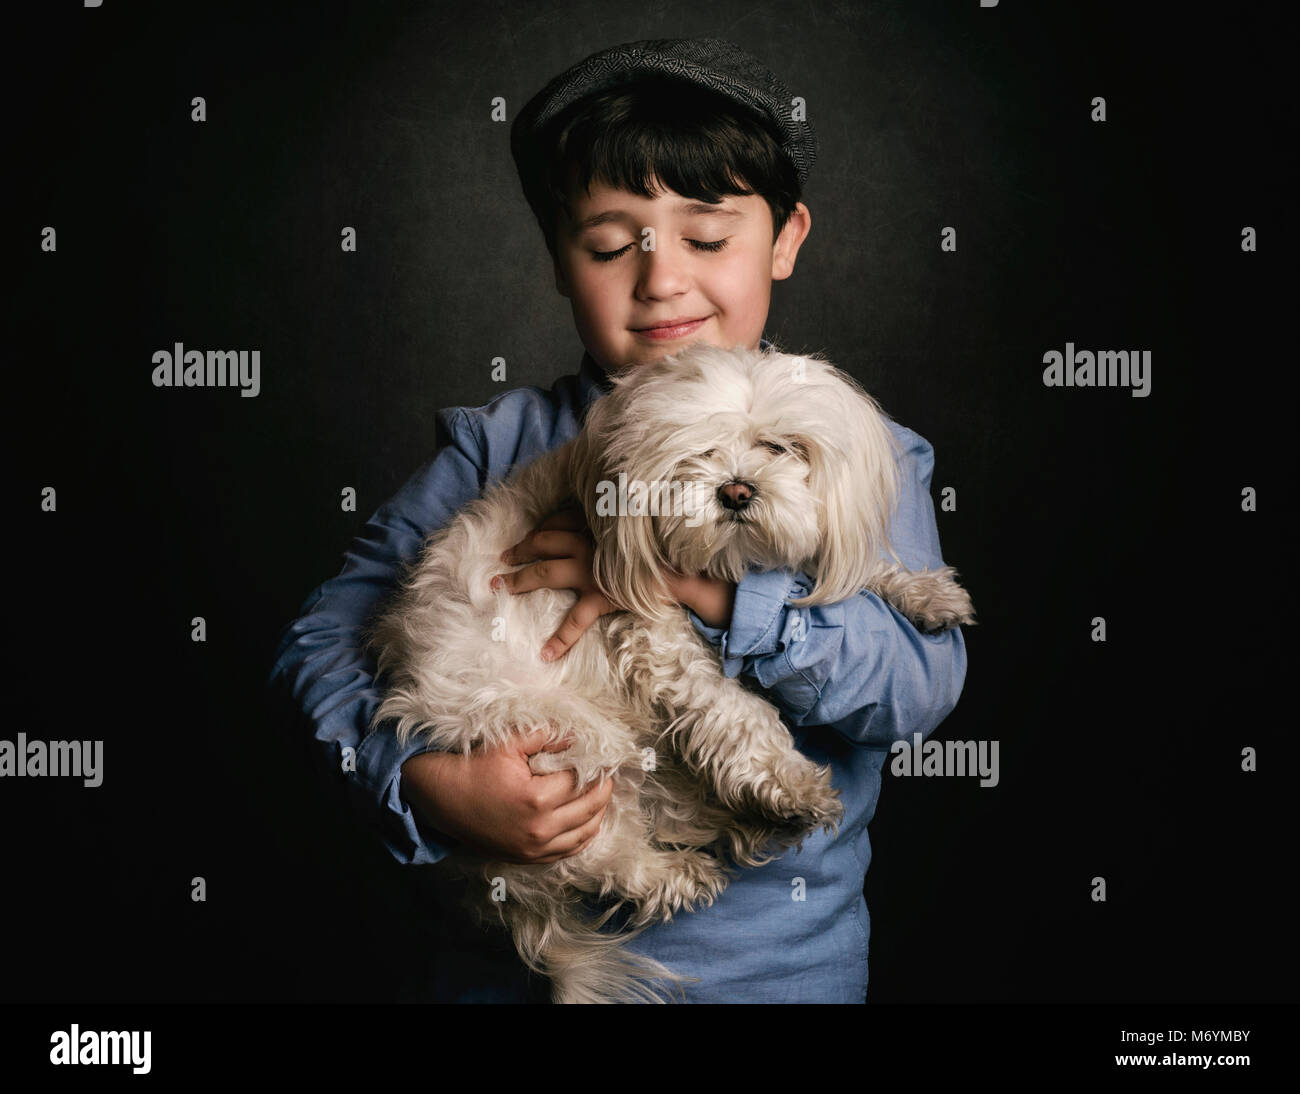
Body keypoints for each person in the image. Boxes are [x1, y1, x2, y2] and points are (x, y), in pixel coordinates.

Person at [269, 37, 968, 1003]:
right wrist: (428, 786)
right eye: (609, 245)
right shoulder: (498, 446)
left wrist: (698, 589)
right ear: (559, 262)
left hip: (775, 977)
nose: (661, 279)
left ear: (788, 238)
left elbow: (916, 691)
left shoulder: (860, 450)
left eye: (708, 238)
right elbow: (319, 644)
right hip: (509, 976)